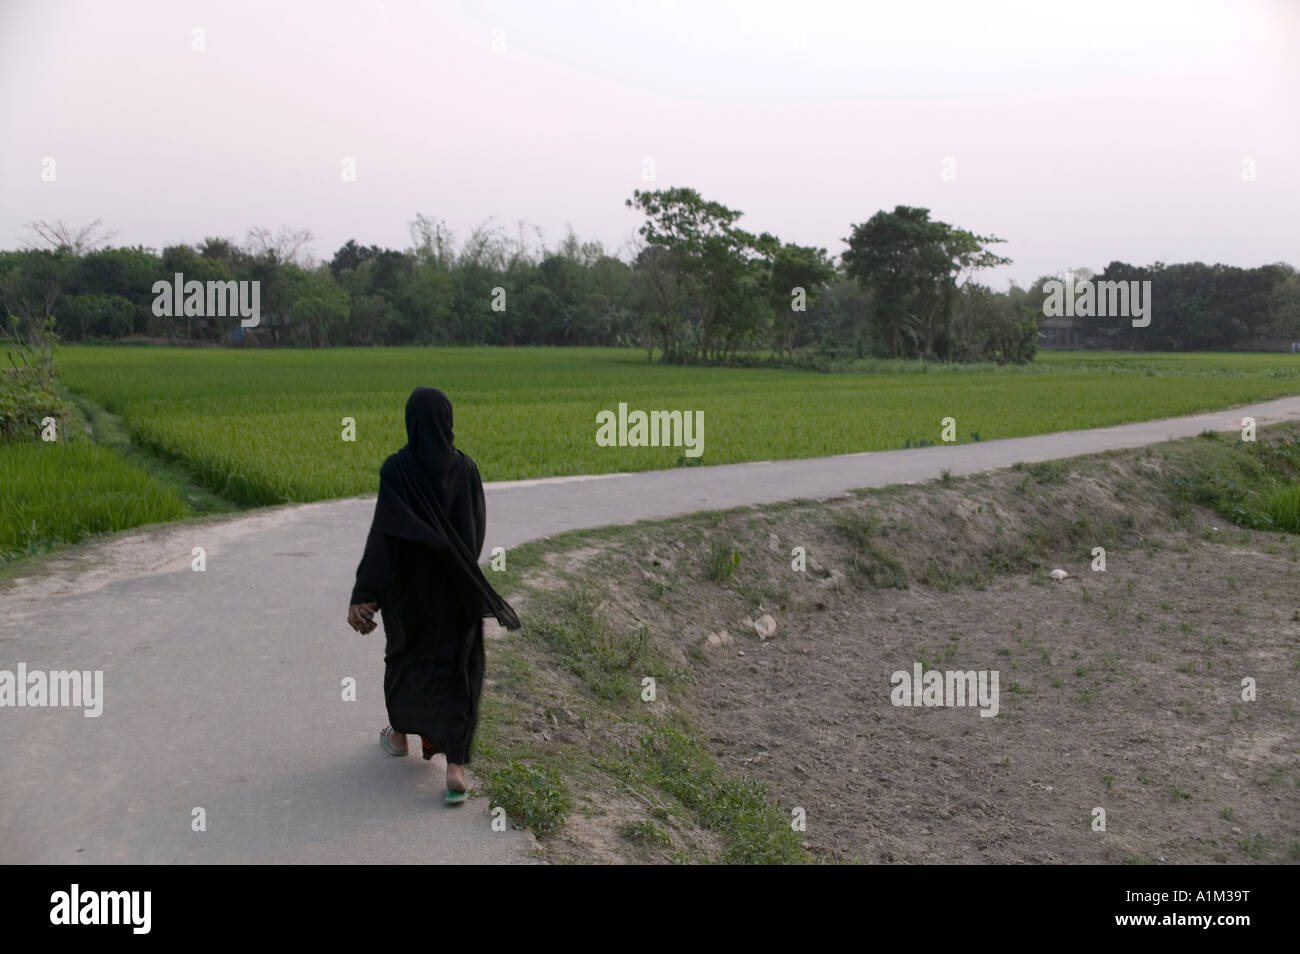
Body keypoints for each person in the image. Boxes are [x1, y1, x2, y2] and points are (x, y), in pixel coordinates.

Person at [347, 387, 519, 804]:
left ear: (411, 422)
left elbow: (383, 537)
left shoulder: (396, 470)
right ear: (448, 421)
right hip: (456, 590)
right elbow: (473, 534)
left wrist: (365, 593)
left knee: (407, 661)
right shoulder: (466, 470)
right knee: (458, 668)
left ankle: (400, 736)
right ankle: (456, 766)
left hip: (407, 594)